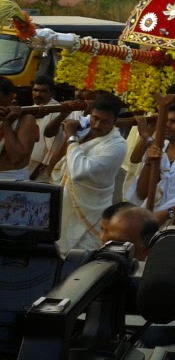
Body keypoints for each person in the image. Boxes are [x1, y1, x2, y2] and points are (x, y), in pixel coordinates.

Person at [54, 93, 127, 253]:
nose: (98, 124)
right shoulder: (84, 127)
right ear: (90, 114)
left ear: (115, 122)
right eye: (95, 118)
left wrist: (72, 138)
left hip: (91, 212)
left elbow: (79, 172)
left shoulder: (117, 145)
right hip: (65, 205)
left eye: (105, 121)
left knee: (81, 259)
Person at [0, 76, 39, 180]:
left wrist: (7, 124)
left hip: (11, 181)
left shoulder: (26, 120)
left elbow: (16, 158)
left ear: (10, 96)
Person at [28, 75, 63, 182]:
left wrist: (39, 170)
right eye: (35, 90)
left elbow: (51, 145)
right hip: (28, 165)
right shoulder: (30, 109)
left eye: (43, 91)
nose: (38, 94)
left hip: (43, 169)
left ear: (52, 93)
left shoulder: (56, 110)